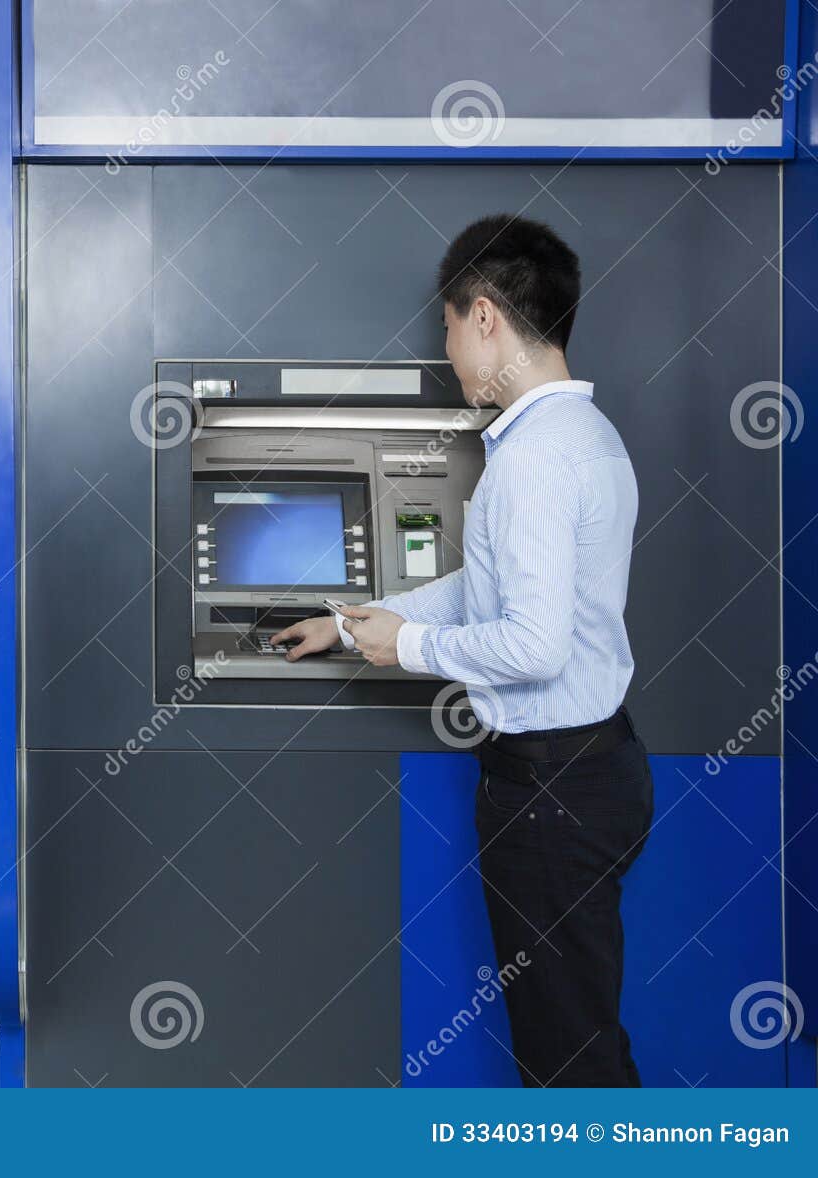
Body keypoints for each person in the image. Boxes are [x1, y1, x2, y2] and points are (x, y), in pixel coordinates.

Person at [272, 214, 652, 1087]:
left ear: (484, 316)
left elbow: (535, 644)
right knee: (579, 1032)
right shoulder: (585, 435)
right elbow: (493, 591)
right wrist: (355, 620)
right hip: (596, 769)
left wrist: (408, 645)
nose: (446, 352)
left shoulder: (531, 460)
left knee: (568, 1057)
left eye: (446, 327)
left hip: (551, 792)